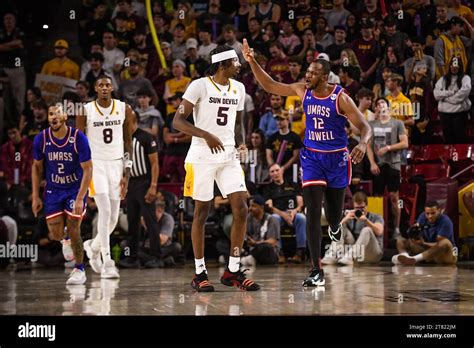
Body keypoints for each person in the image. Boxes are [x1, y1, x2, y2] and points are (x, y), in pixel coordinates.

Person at [242, 39, 371, 287]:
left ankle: (334, 225)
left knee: (333, 215)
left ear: (324, 77)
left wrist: (363, 143)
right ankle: (316, 270)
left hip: (337, 159)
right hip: (311, 157)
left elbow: (365, 127)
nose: (307, 75)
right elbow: (270, 84)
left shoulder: (340, 97)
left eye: (313, 73)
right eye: (307, 72)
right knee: (312, 212)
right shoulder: (303, 90)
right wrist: (252, 61)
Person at [173, 45, 260, 292]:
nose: (239, 65)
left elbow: (239, 122)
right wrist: (205, 135)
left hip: (229, 155)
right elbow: (177, 121)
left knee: (242, 207)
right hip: (201, 155)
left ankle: (233, 270)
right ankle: (199, 273)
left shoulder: (239, 88)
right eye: (235, 61)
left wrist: (242, 143)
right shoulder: (199, 85)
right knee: (202, 212)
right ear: (222, 65)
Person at [76, 76, 134, 279]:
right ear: (95, 88)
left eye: (107, 84)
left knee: (113, 219)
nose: (104, 87)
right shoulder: (86, 110)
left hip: (117, 164)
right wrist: (83, 170)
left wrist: (127, 171)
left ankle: (92, 246)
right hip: (96, 164)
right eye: (100, 84)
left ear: (112, 88)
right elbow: (79, 142)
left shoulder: (123, 108)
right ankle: (108, 260)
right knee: (105, 210)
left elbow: (128, 141)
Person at [31, 104, 92, 284]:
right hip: (53, 189)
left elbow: (88, 170)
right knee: (56, 233)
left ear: (65, 116)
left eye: (57, 113)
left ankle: (79, 269)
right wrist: (35, 196)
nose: (53, 116)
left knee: (74, 228)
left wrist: (81, 197)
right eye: (50, 114)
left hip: (75, 189)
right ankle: (64, 239)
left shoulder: (78, 138)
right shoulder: (41, 139)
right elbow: (36, 167)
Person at [119, 110, 160, 269]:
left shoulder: (146, 137)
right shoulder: (123, 139)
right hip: (131, 183)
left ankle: (156, 256)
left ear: (133, 120)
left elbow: (155, 164)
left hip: (145, 182)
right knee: (132, 223)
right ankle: (132, 257)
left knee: (150, 221)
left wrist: (153, 185)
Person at [366, 98, 408, 240]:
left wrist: (389, 147)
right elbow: (368, 146)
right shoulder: (371, 125)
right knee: (377, 198)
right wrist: (372, 163)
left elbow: (404, 143)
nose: (380, 105)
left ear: (388, 107)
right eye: (377, 104)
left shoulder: (398, 123)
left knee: (394, 198)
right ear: (376, 109)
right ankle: (378, 230)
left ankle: (396, 229)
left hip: (393, 164)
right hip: (378, 165)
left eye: (383, 103)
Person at [322, 191, 384, 265]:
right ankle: (332, 256)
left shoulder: (375, 217)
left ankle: (350, 257)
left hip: (373, 253)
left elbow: (379, 231)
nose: (360, 210)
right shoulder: (351, 217)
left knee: (367, 230)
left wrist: (366, 221)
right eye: (357, 208)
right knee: (341, 227)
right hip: (358, 252)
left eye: (362, 208)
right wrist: (345, 219)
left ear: (366, 206)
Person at [263, 163, 306, 263]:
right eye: (272, 172)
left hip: (293, 214)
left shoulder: (292, 184)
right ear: (270, 174)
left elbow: (300, 203)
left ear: (281, 171)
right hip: (279, 215)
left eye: (277, 170)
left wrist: (294, 211)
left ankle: (300, 252)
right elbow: (269, 207)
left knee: (302, 218)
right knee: (273, 218)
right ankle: (279, 252)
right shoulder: (268, 188)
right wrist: (284, 215)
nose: (275, 173)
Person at [393, 200, 457, 265]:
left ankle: (415, 259)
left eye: (433, 213)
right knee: (400, 241)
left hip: (443, 255)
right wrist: (414, 234)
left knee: (445, 242)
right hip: (426, 251)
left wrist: (423, 243)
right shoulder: (422, 216)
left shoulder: (445, 221)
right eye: (427, 213)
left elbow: (439, 245)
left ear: (439, 210)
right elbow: (416, 232)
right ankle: (406, 258)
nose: (430, 216)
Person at [433, 56, 471, 144]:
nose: (454, 68)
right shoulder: (443, 79)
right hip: (445, 115)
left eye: (456, 66)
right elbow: (436, 94)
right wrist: (451, 92)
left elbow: (462, 96)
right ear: (449, 66)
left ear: (460, 66)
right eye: (452, 66)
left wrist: (445, 98)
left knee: (460, 139)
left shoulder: (465, 78)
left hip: (459, 115)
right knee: (448, 140)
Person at [240, 195, 280, 266]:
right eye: (249, 206)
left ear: (261, 207)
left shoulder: (271, 219)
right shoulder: (249, 218)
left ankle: (248, 259)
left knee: (265, 247)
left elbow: (272, 242)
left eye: (253, 206)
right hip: (252, 248)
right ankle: (250, 258)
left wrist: (255, 243)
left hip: (268, 252)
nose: (250, 208)